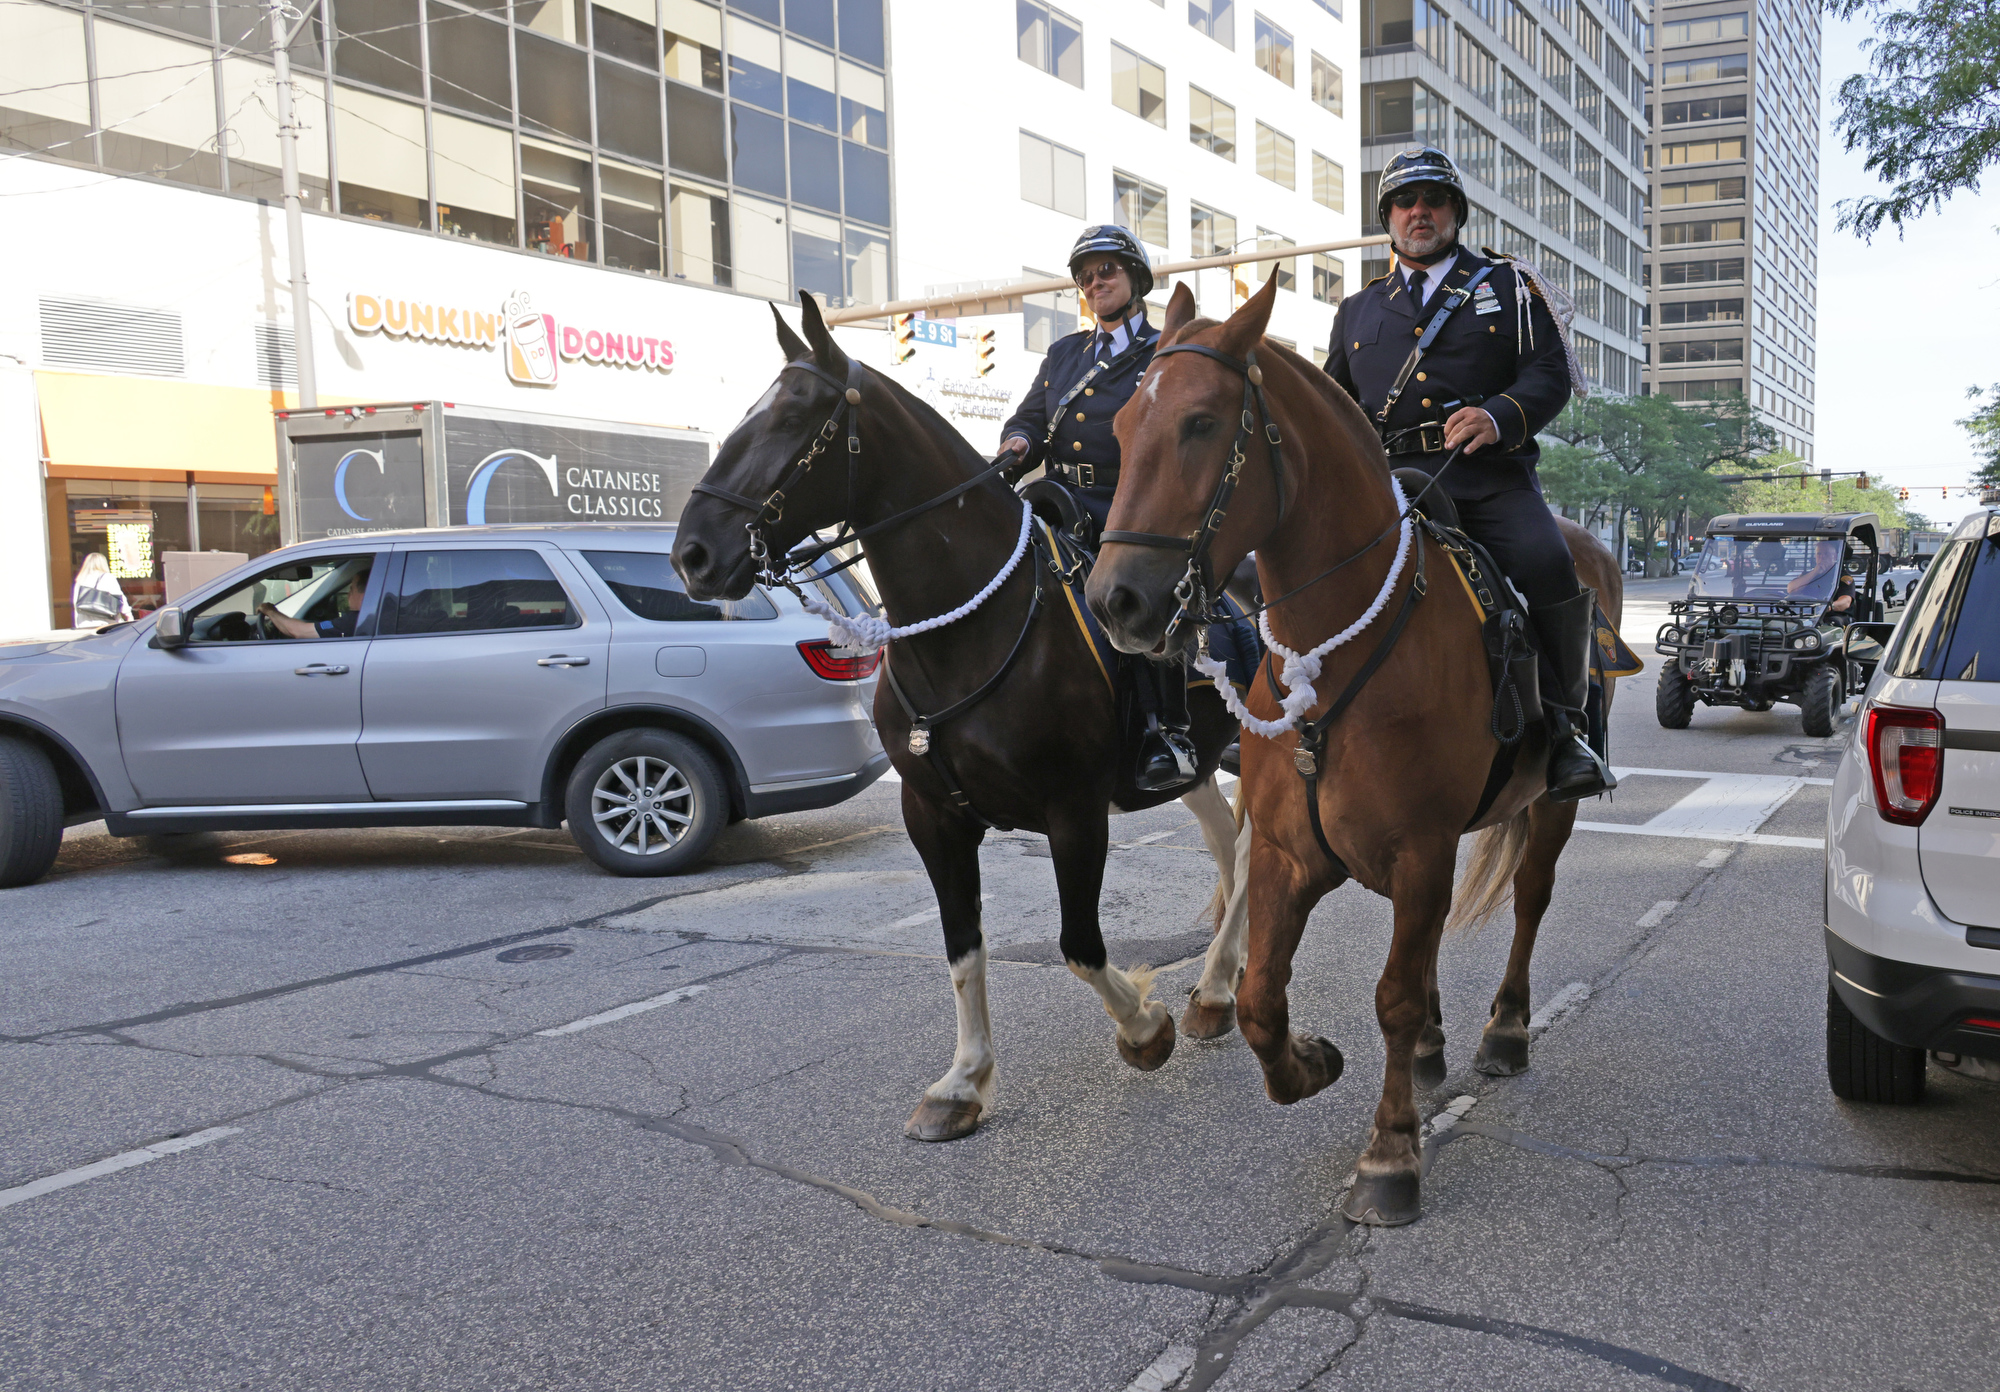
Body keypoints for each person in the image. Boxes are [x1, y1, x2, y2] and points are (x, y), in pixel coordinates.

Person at [1322, 146, 1614, 802]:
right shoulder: (1358, 311)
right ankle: (1293, 716)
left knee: (1546, 562)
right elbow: (1335, 406)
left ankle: (1569, 728)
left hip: (1488, 479)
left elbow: (1549, 374)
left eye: (1432, 199)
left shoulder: (1508, 287)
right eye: (1404, 201)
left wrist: (1498, 415)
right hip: (1390, 487)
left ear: (1455, 211)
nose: (1417, 211)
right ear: (1388, 218)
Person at [998, 225, 1195, 791]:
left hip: (1131, 507)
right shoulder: (1064, 354)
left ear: (1135, 278)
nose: (1095, 282)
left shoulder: (1165, 347)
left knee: (1141, 600)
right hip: (1059, 503)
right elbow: (1030, 420)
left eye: (1106, 270)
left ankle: (1167, 731)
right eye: (1085, 276)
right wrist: (1016, 444)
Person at [258, 566, 370, 639]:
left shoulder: (355, 621)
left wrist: (269, 611)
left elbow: (298, 631)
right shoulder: (374, 618)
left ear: (364, 596)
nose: (348, 595)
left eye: (351, 590)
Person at [71, 553, 134, 627]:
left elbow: (75, 604)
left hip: (84, 624)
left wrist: (77, 624)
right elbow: (120, 598)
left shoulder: (80, 580)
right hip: (104, 624)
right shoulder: (107, 577)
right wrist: (129, 615)